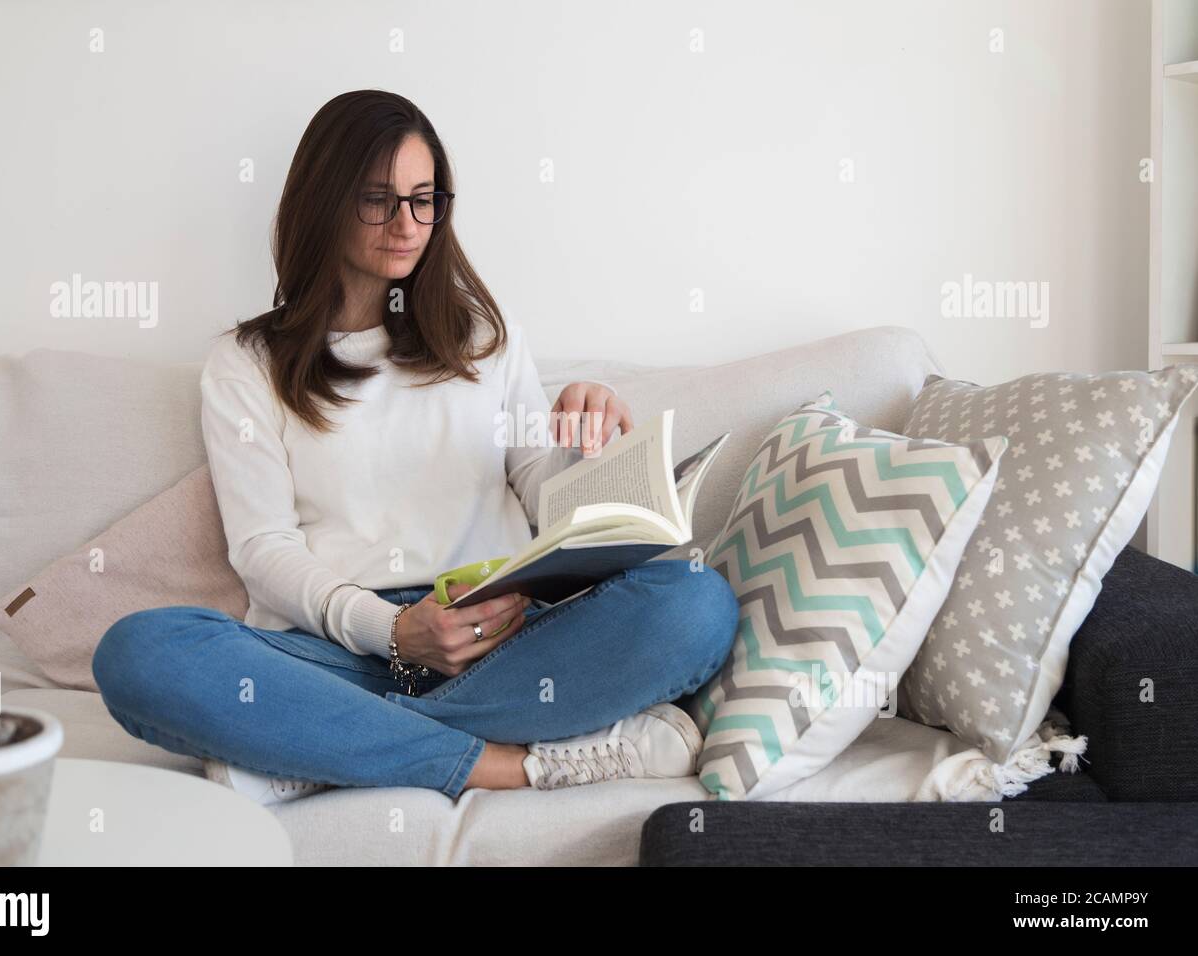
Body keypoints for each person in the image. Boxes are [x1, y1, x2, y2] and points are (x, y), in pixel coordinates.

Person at [91, 90, 740, 806]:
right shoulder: (246, 364)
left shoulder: (485, 339)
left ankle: (327, 748)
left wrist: (585, 443)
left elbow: (546, 502)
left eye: (424, 199)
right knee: (140, 653)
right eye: (378, 200)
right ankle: (511, 764)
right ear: (324, 201)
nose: (407, 223)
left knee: (696, 604)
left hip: (505, 641)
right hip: (334, 654)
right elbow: (263, 549)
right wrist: (395, 630)